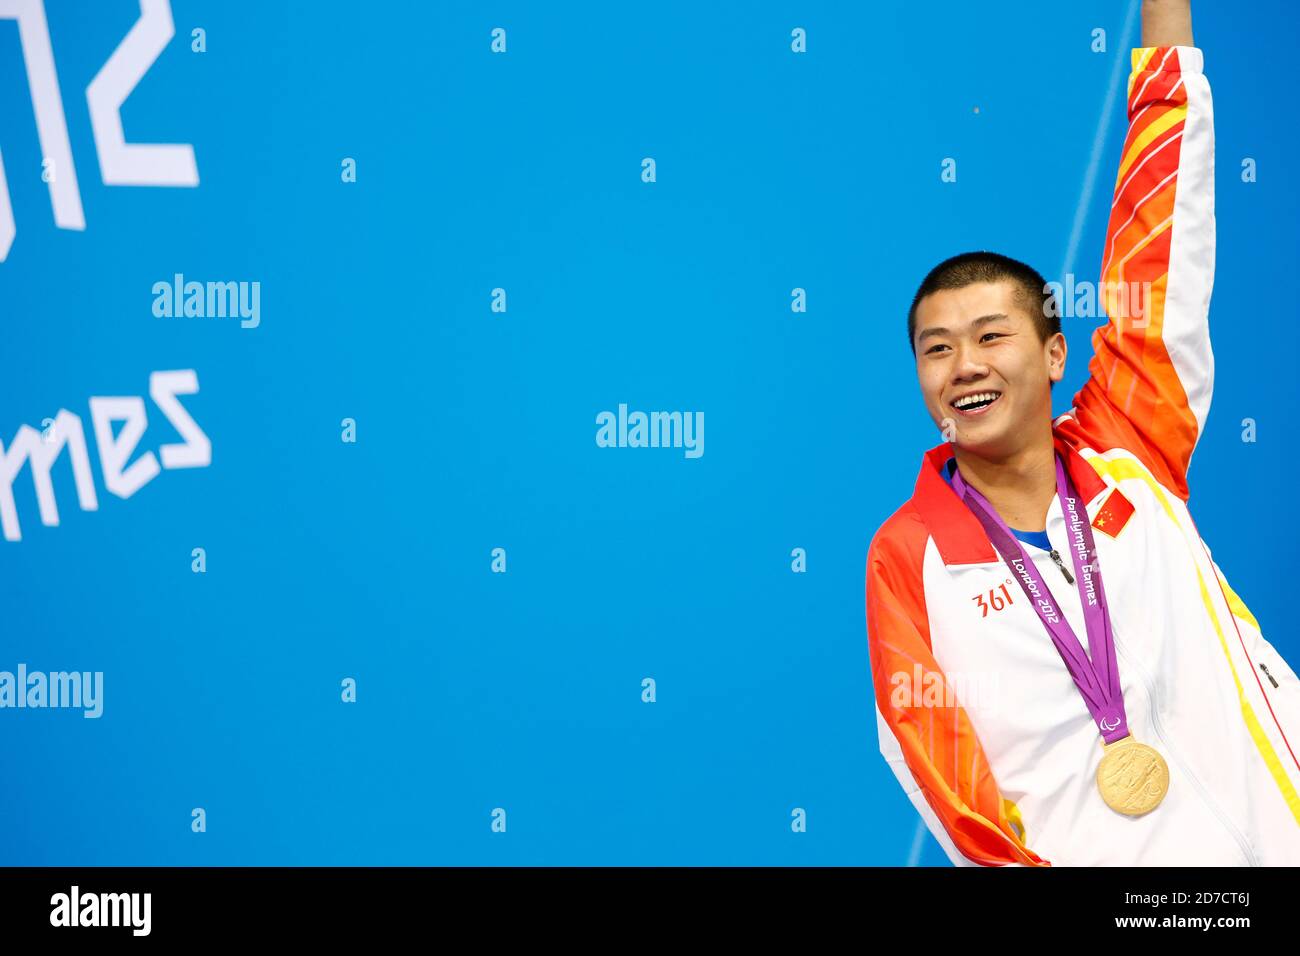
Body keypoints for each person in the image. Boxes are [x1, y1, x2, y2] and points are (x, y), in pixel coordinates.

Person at [865, 0, 1300, 865]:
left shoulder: (1129, 443)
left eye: (992, 336)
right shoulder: (908, 557)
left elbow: (1162, 228)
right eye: (936, 350)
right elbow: (949, 782)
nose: (964, 366)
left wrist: (1163, 16)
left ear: (1055, 351)